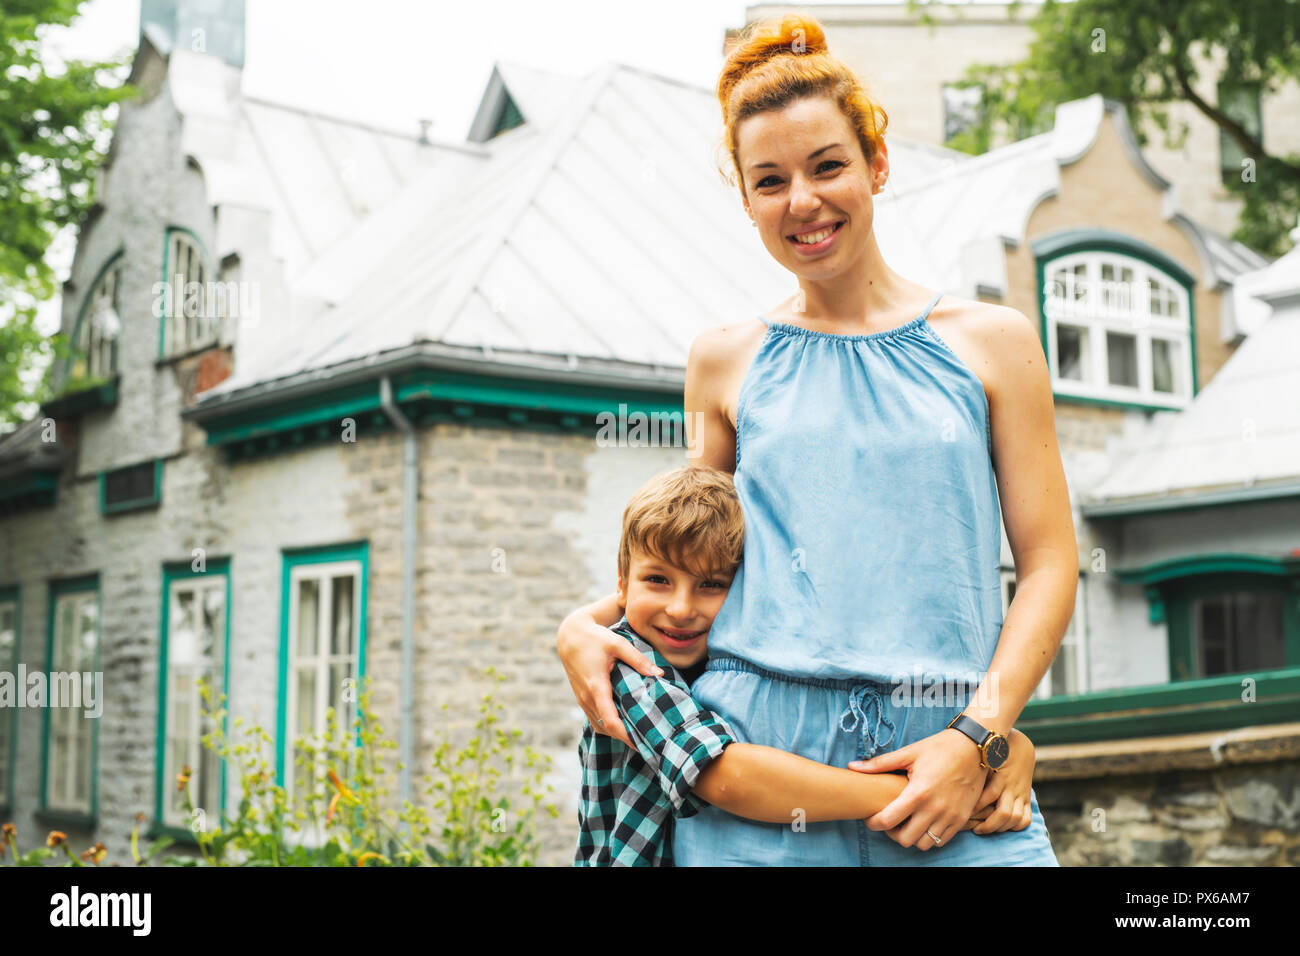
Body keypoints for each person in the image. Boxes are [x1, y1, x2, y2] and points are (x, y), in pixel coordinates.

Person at [558, 14, 1076, 866]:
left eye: (828, 165)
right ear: (747, 199)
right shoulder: (724, 360)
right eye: (769, 181)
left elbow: (1052, 562)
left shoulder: (995, 342)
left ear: (876, 162)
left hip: (947, 749)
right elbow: (691, 551)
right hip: (760, 763)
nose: (802, 201)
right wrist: (588, 623)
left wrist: (985, 734)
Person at [576, 464, 1039, 866]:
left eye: (710, 585)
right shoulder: (626, 665)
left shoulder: (723, 658)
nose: (680, 608)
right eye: (657, 580)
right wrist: (928, 792)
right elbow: (722, 775)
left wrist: (1006, 749)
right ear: (621, 583)